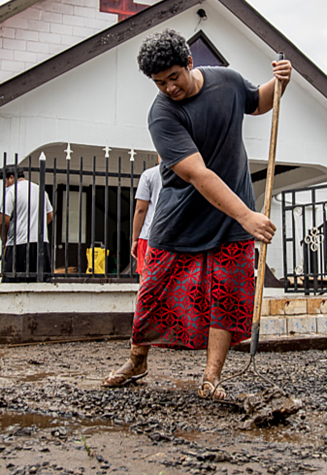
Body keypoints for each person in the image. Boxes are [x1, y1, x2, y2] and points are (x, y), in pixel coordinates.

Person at [103, 29, 291, 400]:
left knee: (226, 294)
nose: (169, 88)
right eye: (159, 83)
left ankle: (211, 378)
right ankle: (137, 359)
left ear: (190, 63)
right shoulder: (162, 115)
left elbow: (259, 102)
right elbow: (198, 175)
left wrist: (281, 81)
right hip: (181, 216)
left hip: (230, 217)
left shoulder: (229, 81)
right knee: (153, 289)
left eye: (174, 77)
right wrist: (247, 216)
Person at [0, 165, 54, 283]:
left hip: (19, 243)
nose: (5, 185)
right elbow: (50, 216)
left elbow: (3, 221)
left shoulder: (12, 191)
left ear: (12, 178)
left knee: (11, 282)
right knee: (40, 282)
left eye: (5, 181)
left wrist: (4, 240)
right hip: (40, 244)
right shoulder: (40, 190)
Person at [131, 161, 163, 275]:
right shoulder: (184, 173)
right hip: (174, 236)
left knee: (145, 279)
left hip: (148, 236)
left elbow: (140, 210)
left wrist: (135, 239)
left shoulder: (149, 175)